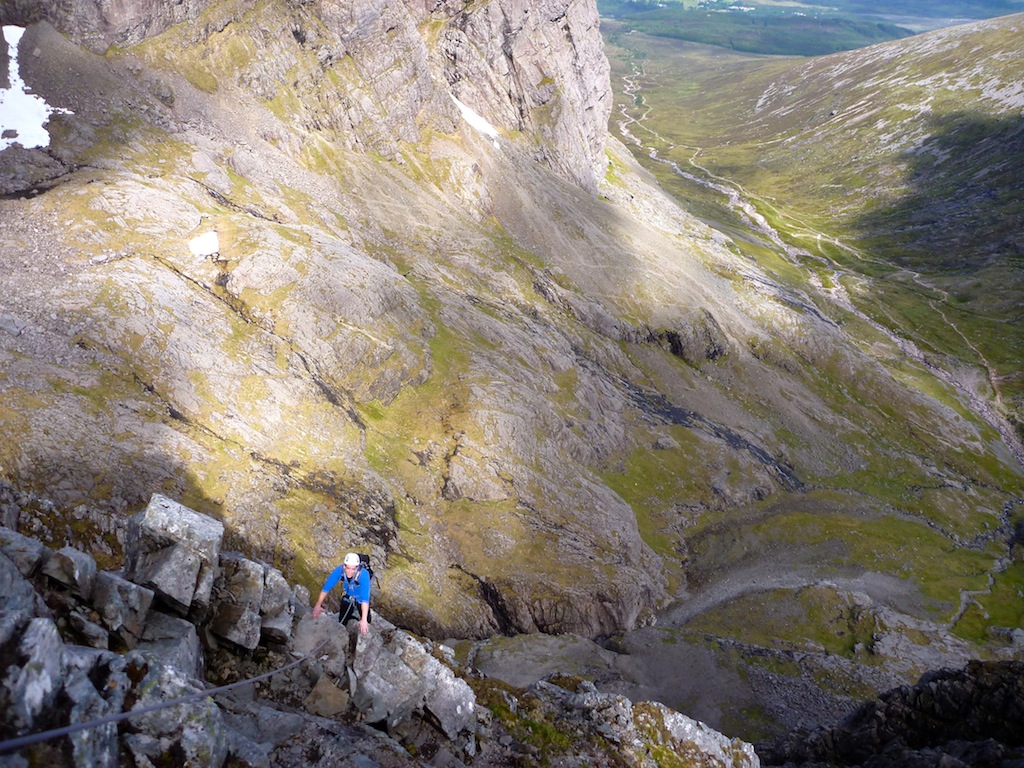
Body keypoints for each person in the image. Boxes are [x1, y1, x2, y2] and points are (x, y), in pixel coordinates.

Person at [312, 552, 371, 636]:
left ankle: (360, 621)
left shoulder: (364, 575)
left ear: (357, 568)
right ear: (344, 566)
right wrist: (318, 605)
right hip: (348, 595)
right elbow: (326, 588)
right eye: (348, 568)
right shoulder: (339, 571)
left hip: (360, 598)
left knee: (367, 622)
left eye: (353, 569)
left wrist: (364, 620)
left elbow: (365, 598)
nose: (350, 572)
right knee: (342, 621)